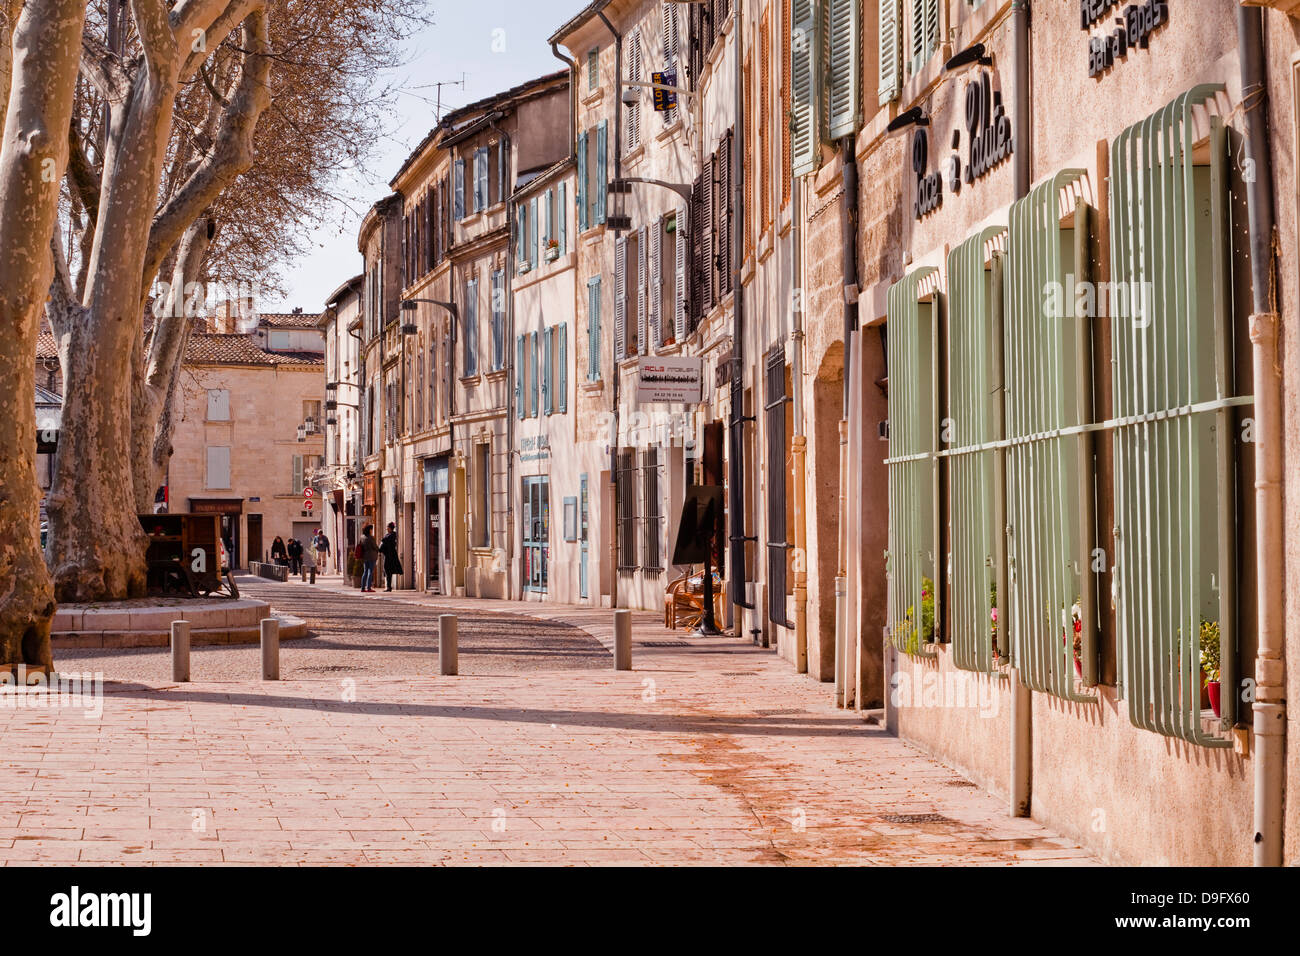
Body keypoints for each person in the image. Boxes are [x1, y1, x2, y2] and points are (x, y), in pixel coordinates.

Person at [380, 522, 403, 592]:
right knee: (387, 571)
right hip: (387, 555)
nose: (386, 528)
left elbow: (384, 540)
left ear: (390, 528)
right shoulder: (388, 535)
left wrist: (383, 540)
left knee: (388, 570)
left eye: (387, 527)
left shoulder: (392, 535)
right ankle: (388, 586)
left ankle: (389, 587)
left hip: (390, 556)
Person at [359, 524, 380, 593]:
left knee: (365, 572)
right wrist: (378, 550)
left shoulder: (362, 537)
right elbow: (375, 547)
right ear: (369, 530)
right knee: (370, 572)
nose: (372, 530)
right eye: (371, 529)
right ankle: (368, 587)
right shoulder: (371, 538)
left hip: (365, 556)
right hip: (371, 556)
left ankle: (362, 587)